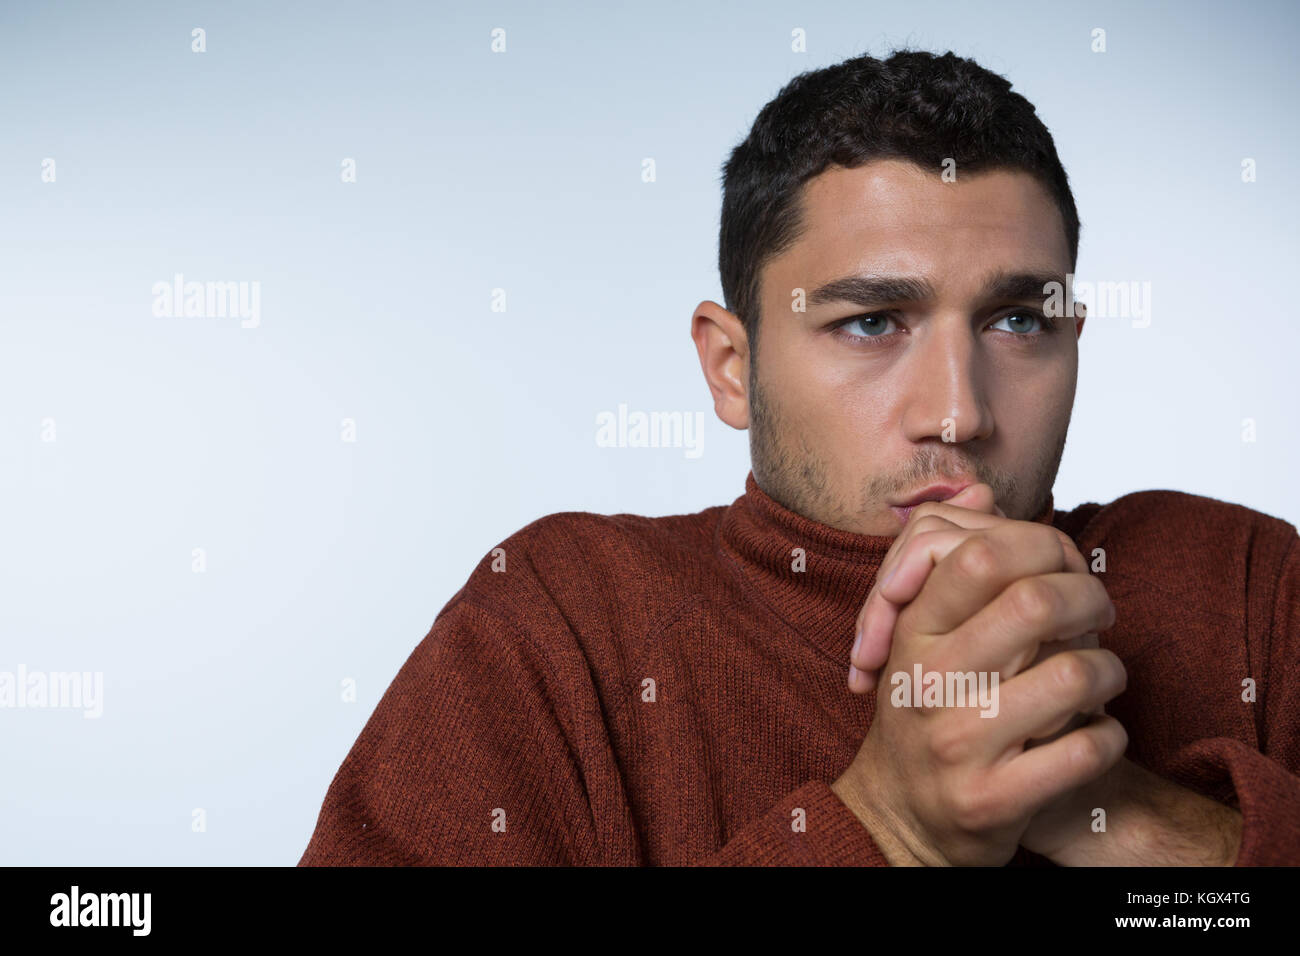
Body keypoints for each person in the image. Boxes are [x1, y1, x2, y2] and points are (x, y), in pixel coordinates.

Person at [298, 49, 1299, 866]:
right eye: (871, 322)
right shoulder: (561, 624)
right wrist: (887, 826)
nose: (957, 414)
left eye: (1015, 320)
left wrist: (1136, 822)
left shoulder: (1243, 585)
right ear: (732, 367)